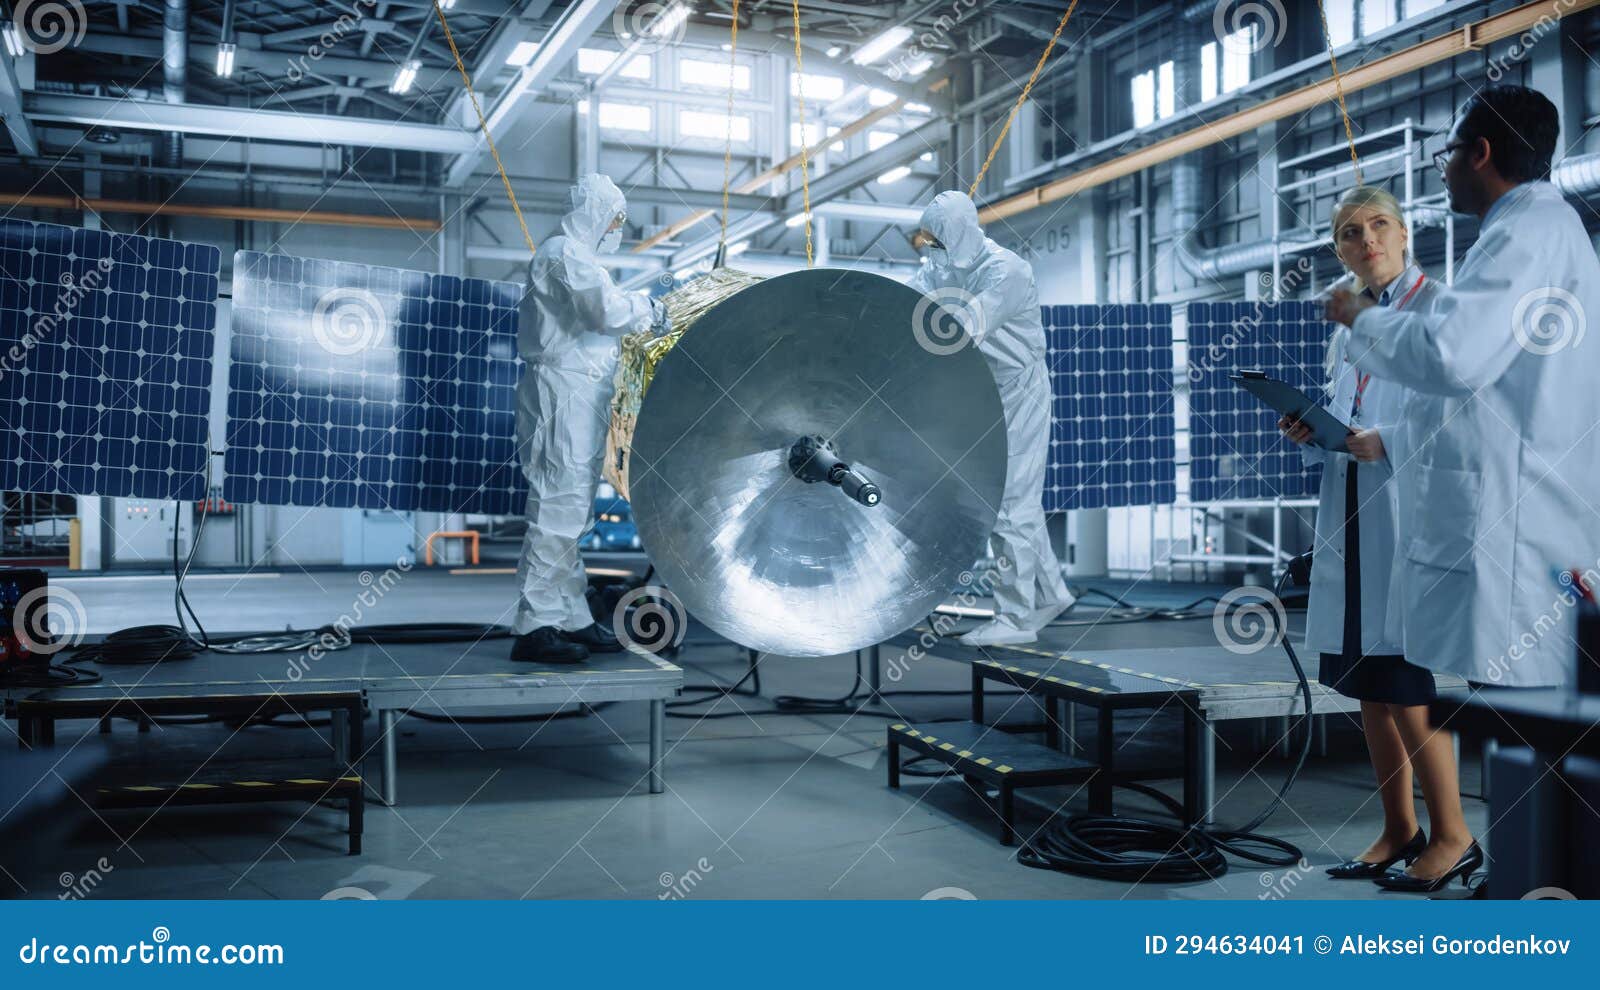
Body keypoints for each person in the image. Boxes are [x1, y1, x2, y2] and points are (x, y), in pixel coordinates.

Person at [1327, 86, 1600, 891]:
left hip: (1521, 528)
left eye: (1448, 152)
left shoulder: (1524, 235)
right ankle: (1527, 880)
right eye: (1351, 231)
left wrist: (1359, 321)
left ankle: (1531, 891)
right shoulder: (1539, 233)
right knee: (1523, 726)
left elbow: (1452, 359)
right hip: (1506, 516)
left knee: (1527, 724)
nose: (1444, 170)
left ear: (1477, 153)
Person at [1280, 186, 1466, 886]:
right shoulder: (1348, 328)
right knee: (1369, 686)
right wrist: (1312, 430)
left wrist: (1385, 441)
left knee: (1405, 681)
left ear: (1405, 231)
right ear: (1339, 251)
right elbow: (1346, 413)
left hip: (1407, 516)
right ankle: (1399, 827)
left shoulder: (1440, 311)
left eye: (1379, 224)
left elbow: (1465, 414)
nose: (1368, 240)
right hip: (1355, 518)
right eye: (1351, 233)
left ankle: (1453, 834)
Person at [512, 175, 668, 663]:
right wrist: (651, 309)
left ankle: (570, 616)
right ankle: (534, 626)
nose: (617, 227)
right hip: (562, 398)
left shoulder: (577, 256)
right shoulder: (564, 253)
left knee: (571, 514)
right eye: (615, 218)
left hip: (578, 397)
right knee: (556, 511)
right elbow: (607, 312)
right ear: (598, 212)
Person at [909, 190, 1074, 646]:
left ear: (958, 235)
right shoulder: (942, 263)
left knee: (1011, 504)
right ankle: (1050, 593)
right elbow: (913, 300)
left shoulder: (1008, 271)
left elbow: (959, 330)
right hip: (984, 392)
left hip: (1021, 391)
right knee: (1014, 501)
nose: (932, 248)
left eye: (939, 240)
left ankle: (1016, 621)